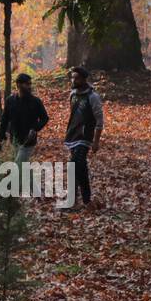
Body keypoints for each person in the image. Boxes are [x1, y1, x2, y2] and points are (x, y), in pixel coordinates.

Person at [62, 65, 104, 210]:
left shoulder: (93, 97)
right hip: (72, 135)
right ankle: (86, 201)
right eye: (72, 77)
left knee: (75, 165)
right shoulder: (72, 94)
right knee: (79, 168)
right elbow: (73, 115)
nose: (73, 80)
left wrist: (96, 142)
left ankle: (76, 201)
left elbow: (99, 120)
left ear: (84, 79)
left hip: (85, 137)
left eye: (76, 77)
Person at [0, 72, 48, 163]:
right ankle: (29, 177)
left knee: (18, 165)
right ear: (19, 85)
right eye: (27, 84)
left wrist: (35, 129)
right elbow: (4, 120)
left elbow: (45, 118)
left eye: (30, 84)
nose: (29, 86)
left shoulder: (36, 101)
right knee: (22, 167)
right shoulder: (10, 101)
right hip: (14, 140)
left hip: (28, 141)